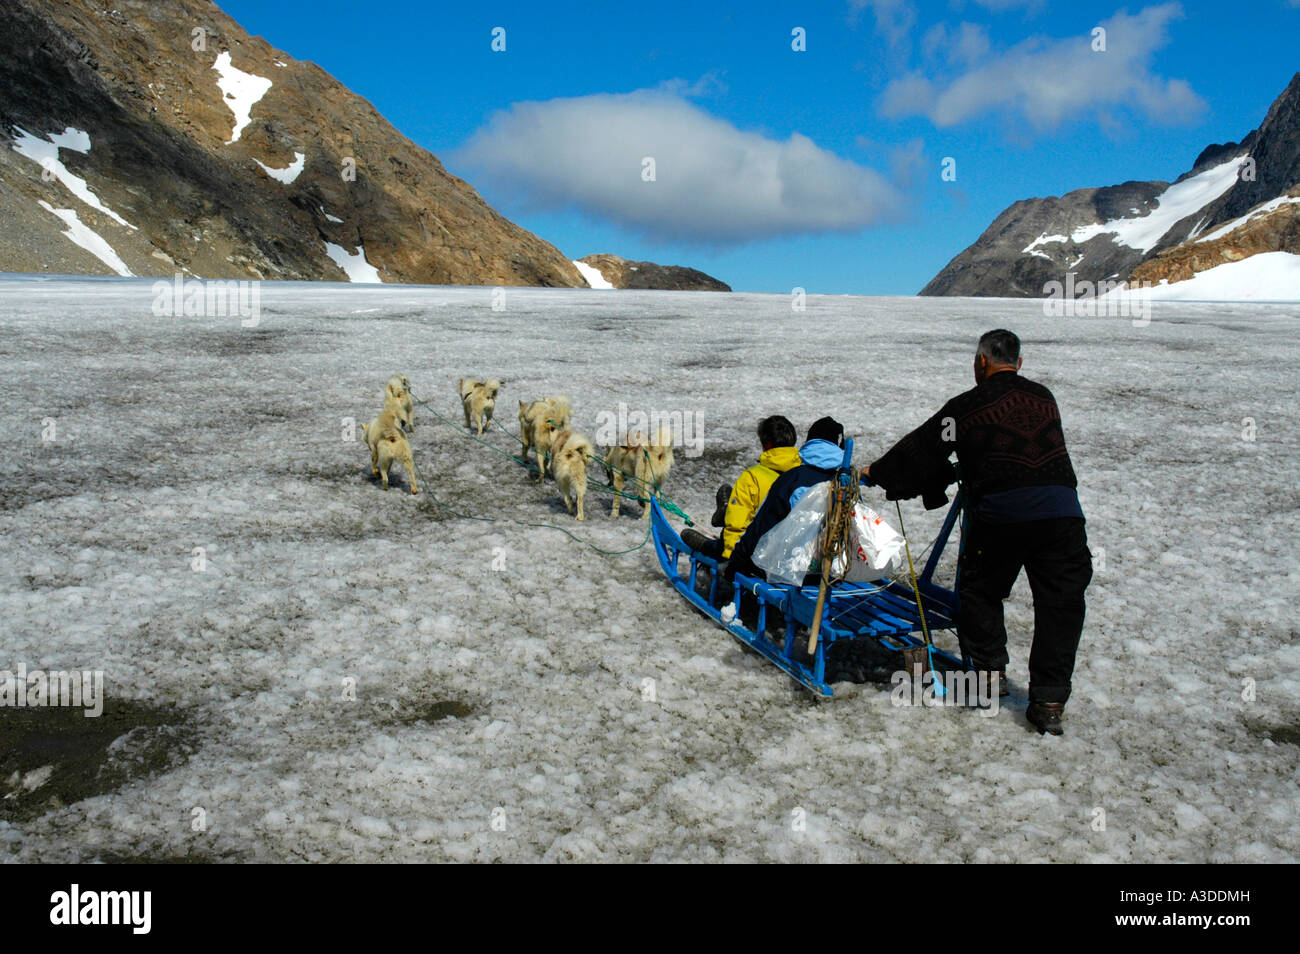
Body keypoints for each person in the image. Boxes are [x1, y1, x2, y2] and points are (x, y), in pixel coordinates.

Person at [863, 330, 1092, 735]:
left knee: (979, 591)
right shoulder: (1044, 397)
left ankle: (987, 679)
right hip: (1062, 515)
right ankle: (1049, 701)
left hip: (1002, 514)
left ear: (981, 363)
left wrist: (876, 472)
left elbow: (922, 447)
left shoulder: (966, 407)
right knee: (1061, 604)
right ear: (1019, 364)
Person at [725, 416, 847, 582]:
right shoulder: (846, 485)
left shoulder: (793, 479)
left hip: (789, 571)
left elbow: (762, 526)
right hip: (830, 572)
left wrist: (735, 561)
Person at [681, 416, 800, 560]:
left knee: (700, 538)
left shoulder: (752, 478)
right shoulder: (804, 475)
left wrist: (731, 557)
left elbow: (737, 525)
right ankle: (725, 513)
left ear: (766, 445)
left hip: (755, 553)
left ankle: (713, 540)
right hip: (790, 551)